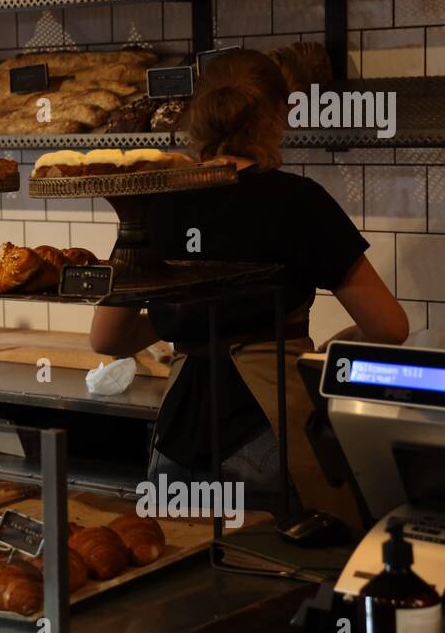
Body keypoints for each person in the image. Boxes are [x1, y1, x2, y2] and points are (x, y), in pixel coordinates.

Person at [90, 49, 408, 531]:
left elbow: (108, 338)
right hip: (271, 421)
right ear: (278, 114)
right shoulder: (299, 201)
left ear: (196, 114)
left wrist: (179, 314)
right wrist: (320, 357)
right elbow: (389, 327)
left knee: (181, 577)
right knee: (276, 576)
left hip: (180, 431)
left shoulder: (156, 202)